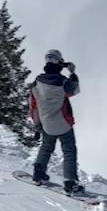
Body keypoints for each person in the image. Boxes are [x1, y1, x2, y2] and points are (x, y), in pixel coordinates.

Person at [28, 49, 84, 194]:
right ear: (59, 63)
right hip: (63, 123)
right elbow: (75, 90)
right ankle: (70, 182)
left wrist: (37, 126)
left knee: (46, 148)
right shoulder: (63, 82)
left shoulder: (36, 83)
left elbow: (33, 106)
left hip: (46, 124)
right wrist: (72, 72)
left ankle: (38, 175)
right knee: (69, 151)